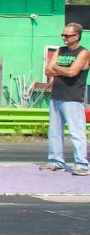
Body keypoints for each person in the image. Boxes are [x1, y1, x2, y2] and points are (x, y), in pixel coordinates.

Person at [41, 22, 89, 175]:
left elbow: (72, 72)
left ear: (76, 36)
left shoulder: (83, 53)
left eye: (67, 35)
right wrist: (62, 69)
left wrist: (56, 67)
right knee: (54, 132)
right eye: (62, 35)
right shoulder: (60, 50)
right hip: (56, 96)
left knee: (76, 132)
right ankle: (56, 162)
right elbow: (48, 70)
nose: (64, 38)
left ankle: (82, 165)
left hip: (72, 98)